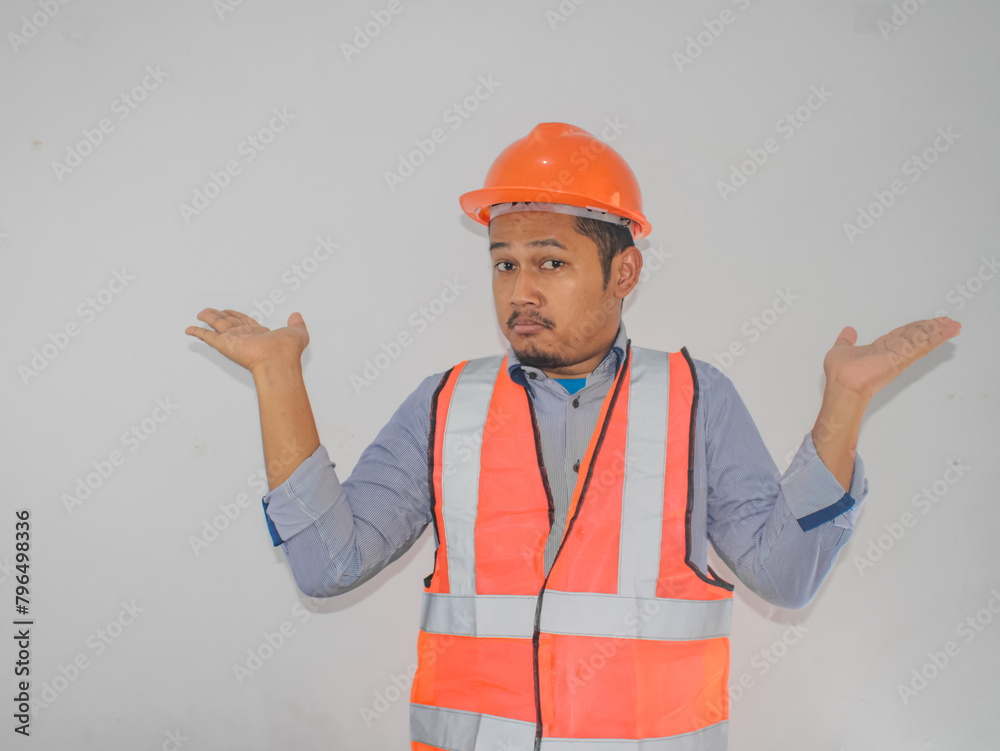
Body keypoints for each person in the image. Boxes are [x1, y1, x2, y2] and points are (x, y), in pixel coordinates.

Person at [185, 122, 961, 751]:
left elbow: (786, 577)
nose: (520, 291)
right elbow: (327, 566)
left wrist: (844, 402)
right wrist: (278, 379)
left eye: (550, 262)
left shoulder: (696, 400)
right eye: (504, 265)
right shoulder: (447, 405)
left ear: (624, 272)